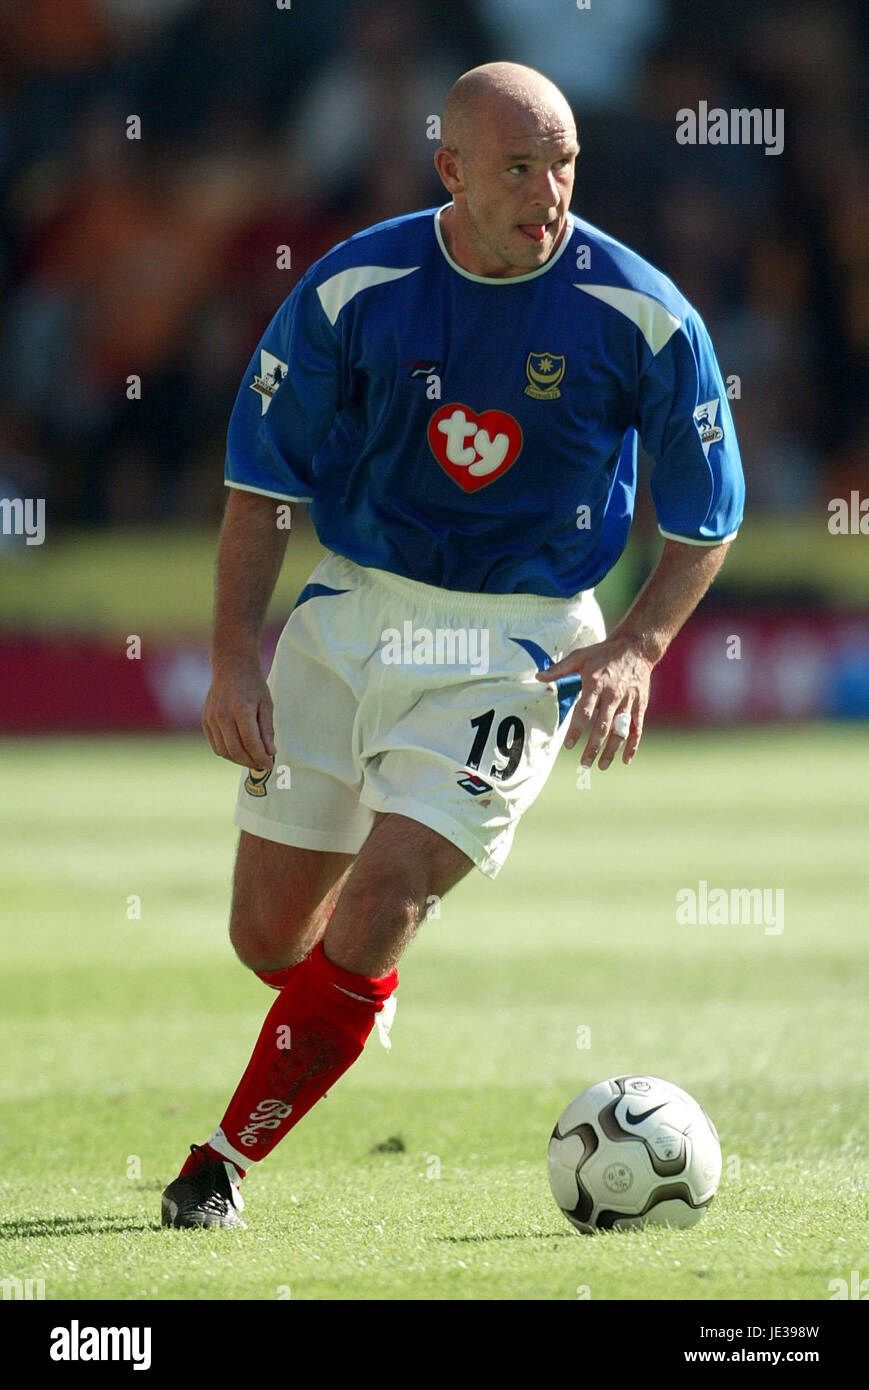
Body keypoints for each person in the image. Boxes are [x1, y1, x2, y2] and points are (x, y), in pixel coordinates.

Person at [161, 62, 743, 1229]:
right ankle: (346, 999)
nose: (550, 191)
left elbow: (703, 518)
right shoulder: (354, 287)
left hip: (520, 648)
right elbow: (260, 483)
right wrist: (232, 652)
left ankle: (216, 1166)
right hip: (348, 616)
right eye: (520, 168)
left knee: (380, 899)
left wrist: (634, 645)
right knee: (266, 935)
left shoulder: (640, 311)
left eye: (565, 162)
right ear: (452, 171)